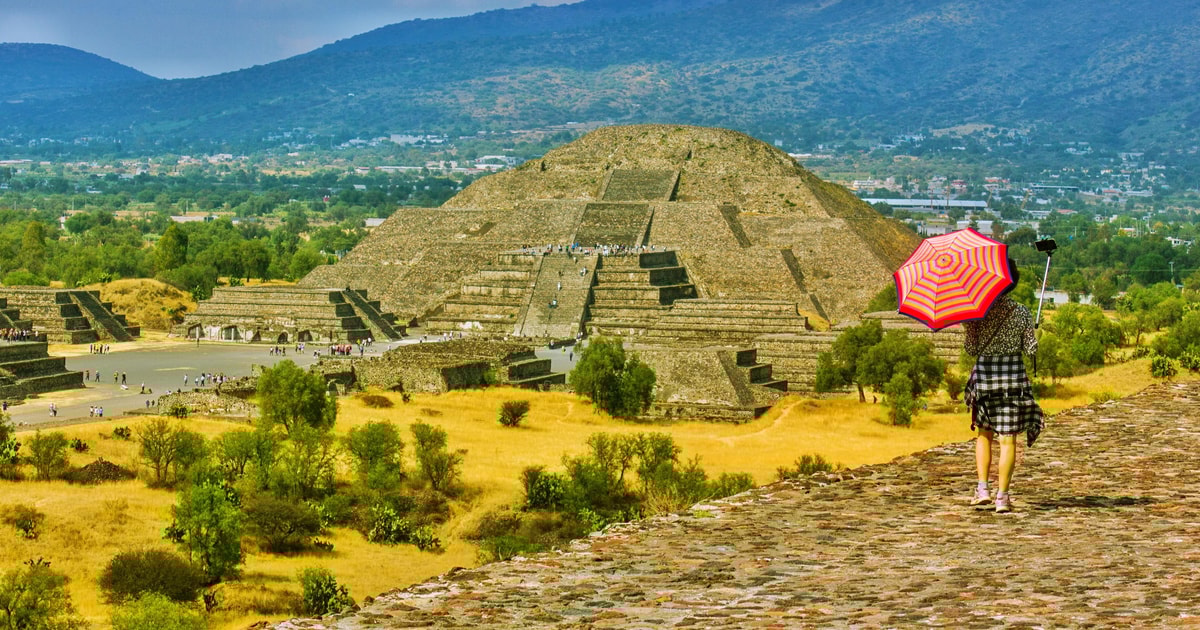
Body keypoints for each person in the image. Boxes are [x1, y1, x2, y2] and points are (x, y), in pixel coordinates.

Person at [963, 258, 1044, 514]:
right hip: (1013, 383)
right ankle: (1002, 497)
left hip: (985, 383)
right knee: (1008, 441)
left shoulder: (977, 313)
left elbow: (971, 349)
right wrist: (1037, 333)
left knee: (984, 436)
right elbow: (1031, 349)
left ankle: (982, 490)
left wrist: (969, 327)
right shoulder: (1021, 312)